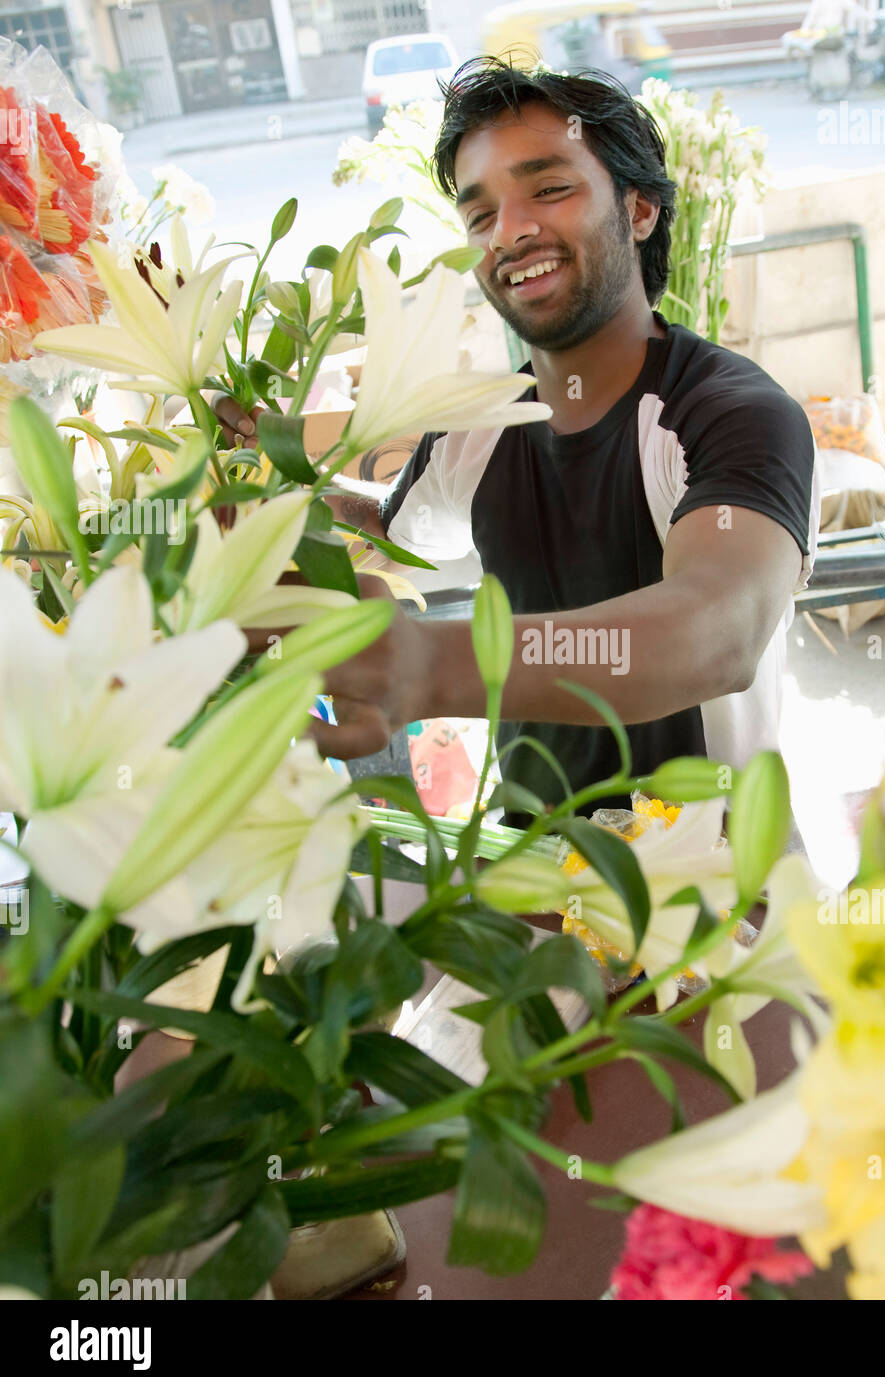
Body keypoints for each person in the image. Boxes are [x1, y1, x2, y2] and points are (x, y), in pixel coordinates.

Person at [219, 58, 819, 815]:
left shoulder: (731, 416)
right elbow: (395, 530)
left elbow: (716, 628)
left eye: (550, 188)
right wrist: (289, 487)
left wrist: (425, 666)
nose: (509, 231)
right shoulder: (481, 427)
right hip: (530, 879)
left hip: (712, 895)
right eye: (479, 214)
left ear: (639, 210)